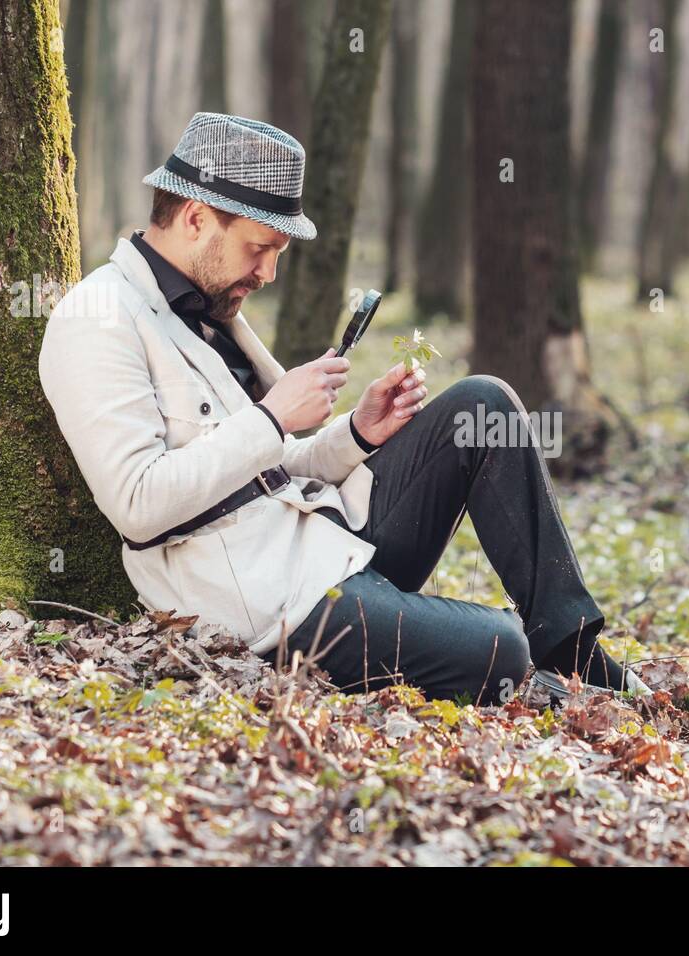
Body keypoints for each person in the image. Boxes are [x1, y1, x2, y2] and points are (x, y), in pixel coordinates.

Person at [39, 112, 647, 705]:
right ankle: (519, 658)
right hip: (270, 607)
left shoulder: (212, 309)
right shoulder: (98, 319)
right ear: (197, 218)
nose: (269, 272)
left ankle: (572, 649)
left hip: (327, 538)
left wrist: (357, 433)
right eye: (261, 247)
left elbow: (277, 463)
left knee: (482, 404)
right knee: (502, 650)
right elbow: (136, 505)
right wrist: (273, 414)